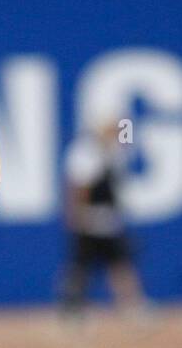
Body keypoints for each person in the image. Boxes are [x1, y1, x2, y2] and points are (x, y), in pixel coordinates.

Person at [58, 117, 146, 317]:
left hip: (109, 220)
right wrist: (77, 216)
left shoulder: (115, 153)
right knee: (80, 266)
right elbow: (79, 188)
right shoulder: (84, 153)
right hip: (89, 219)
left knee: (120, 263)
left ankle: (132, 306)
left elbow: (116, 187)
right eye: (109, 129)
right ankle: (71, 308)